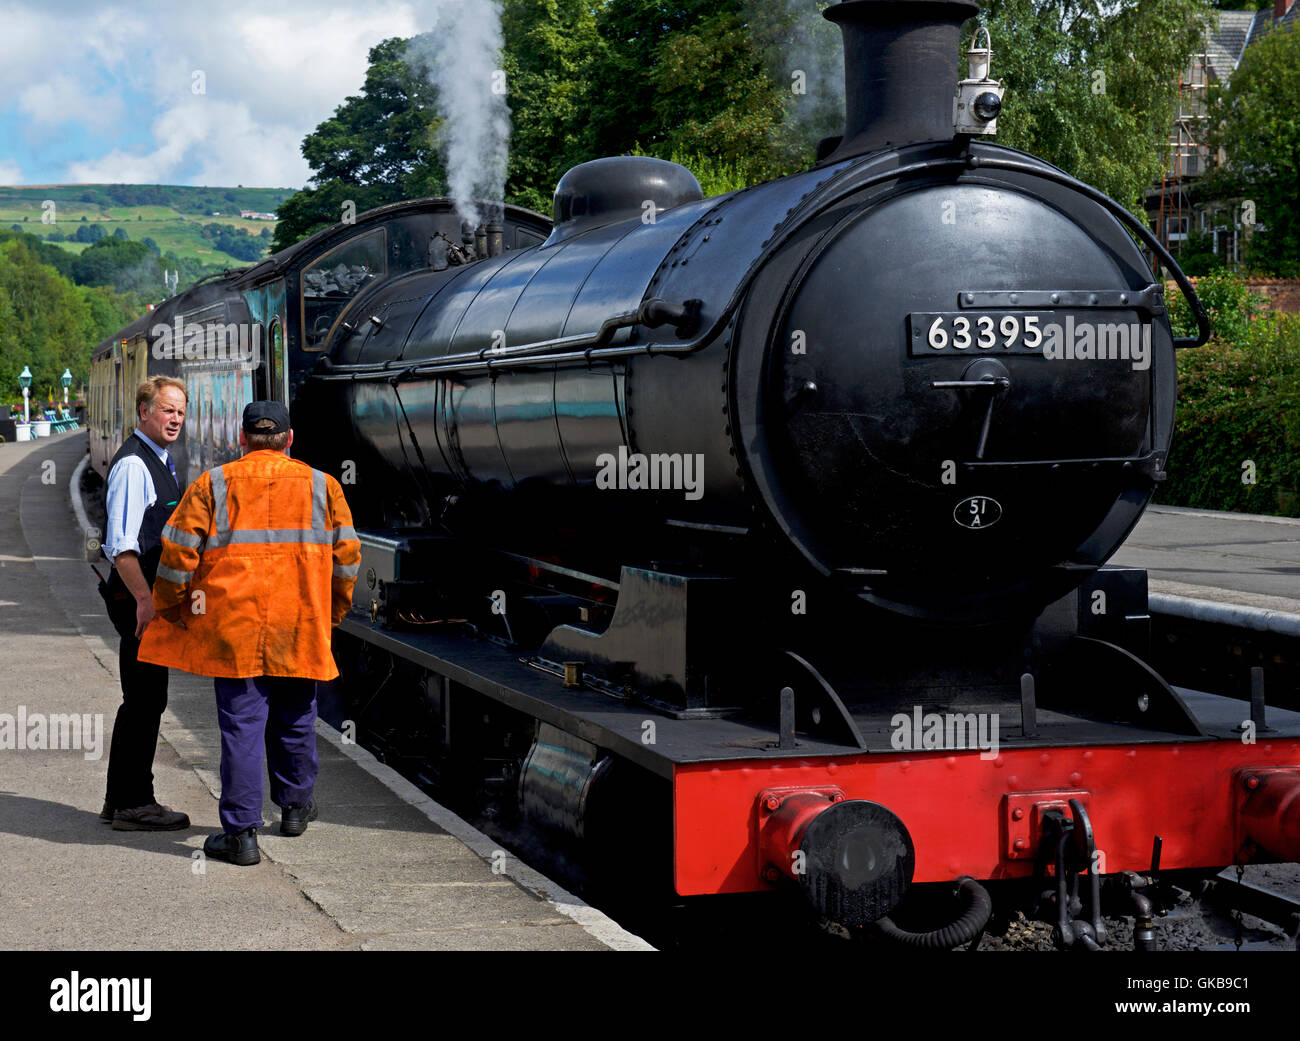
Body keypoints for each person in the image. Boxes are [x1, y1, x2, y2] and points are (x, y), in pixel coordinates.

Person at [138, 401, 360, 865]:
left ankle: (241, 836)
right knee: (298, 716)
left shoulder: (213, 484)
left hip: (235, 629)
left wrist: (171, 606)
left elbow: (176, 554)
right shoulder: (325, 486)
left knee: (241, 727)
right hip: (299, 624)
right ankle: (295, 808)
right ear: (290, 439)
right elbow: (348, 560)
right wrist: (332, 612)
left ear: (242, 439)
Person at [100, 376, 191, 831]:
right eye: (166, 410)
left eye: (180, 411)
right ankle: (134, 803)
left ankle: (120, 797)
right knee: (145, 699)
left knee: (141, 698)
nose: (175, 418)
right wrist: (144, 600)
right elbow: (121, 546)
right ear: (143, 411)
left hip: (144, 599)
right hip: (139, 600)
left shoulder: (158, 459)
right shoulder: (135, 466)